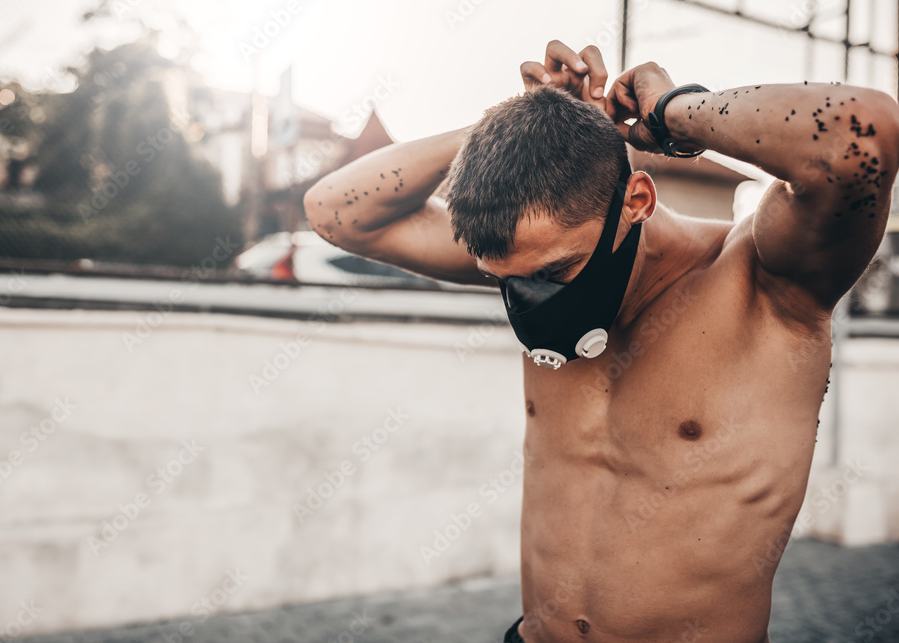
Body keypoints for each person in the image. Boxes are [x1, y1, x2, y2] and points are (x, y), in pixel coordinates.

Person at [302, 41, 899, 642]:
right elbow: (336, 213)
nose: (529, 297)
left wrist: (672, 110)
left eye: (555, 273)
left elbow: (862, 133)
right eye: (505, 281)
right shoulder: (528, 250)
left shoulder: (767, 284)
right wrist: (516, 127)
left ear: (637, 200)